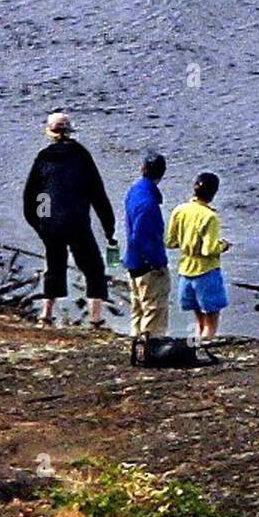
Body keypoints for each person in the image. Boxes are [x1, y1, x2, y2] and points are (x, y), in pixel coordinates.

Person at [22, 112, 116, 328]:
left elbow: (35, 196)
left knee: (53, 266)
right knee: (93, 267)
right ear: (70, 131)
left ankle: (45, 315)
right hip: (77, 222)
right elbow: (97, 194)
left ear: (49, 132)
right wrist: (109, 228)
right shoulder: (81, 156)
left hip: (51, 223)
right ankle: (96, 318)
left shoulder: (43, 158)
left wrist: (41, 223)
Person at [166, 171, 229, 344]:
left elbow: (170, 242)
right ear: (213, 193)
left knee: (199, 319)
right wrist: (223, 246)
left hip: (185, 270)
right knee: (211, 318)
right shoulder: (210, 216)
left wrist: (187, 242)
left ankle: (197, 341)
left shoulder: (180, 210)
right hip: (206, 272)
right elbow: (209, 249)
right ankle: (205, 344)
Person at [123, 152, 170, 341]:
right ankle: (151, 348)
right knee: (154, 309)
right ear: (162, 173)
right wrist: (157, 264)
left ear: (142, 169)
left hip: (132, 261)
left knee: (138, 308)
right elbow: (145, 237)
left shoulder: (134, 191)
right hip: (147, 265)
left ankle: (136, 345)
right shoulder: (148, 203)